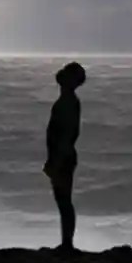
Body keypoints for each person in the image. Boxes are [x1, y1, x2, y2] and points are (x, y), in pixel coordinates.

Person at [44, 61, 85, 251]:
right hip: (61, 156)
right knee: (62, 201)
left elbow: (68, 134)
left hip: (64, 157)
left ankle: (67, 243)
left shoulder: (69, 102)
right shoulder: (66, 100)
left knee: (64, 201)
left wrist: (57, 161)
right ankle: (66, 242)